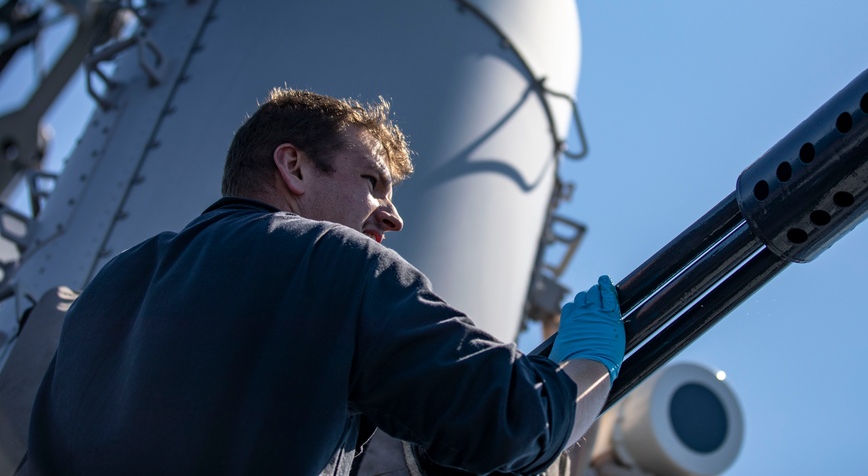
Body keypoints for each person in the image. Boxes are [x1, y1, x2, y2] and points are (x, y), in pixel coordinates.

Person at [22, 88, 624, 476]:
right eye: (373, 181)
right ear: (295, 166)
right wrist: (585, 366)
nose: (393, 215)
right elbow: (514, 422)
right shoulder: (333, 260)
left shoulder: (114, 282)